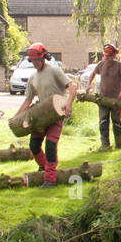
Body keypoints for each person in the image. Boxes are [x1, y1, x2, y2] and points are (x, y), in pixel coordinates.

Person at [12, 43, 77, 187]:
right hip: (40, 116)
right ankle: (43, 167)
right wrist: (15, 117)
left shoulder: (54, 70)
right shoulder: (32, 78)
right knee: (34, 145)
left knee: (50, 145)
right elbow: (27, 101)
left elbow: (72, 87)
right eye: (32, 61)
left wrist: (69, 105)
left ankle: (50, 179)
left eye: (37, 60)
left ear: (44, 57)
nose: (35, 63)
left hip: (56, 115)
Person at [85, 42, 121, 150]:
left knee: (117, 123)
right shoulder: (101, 64)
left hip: (115, 100)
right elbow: (92, 74)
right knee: (103, 122)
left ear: (114, 55)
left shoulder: (119, 66)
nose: (107, 58)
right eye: (106, 55)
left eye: (109, 56)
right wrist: (88, 86)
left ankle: (118, 145)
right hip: (103, 99)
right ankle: (105, 145)